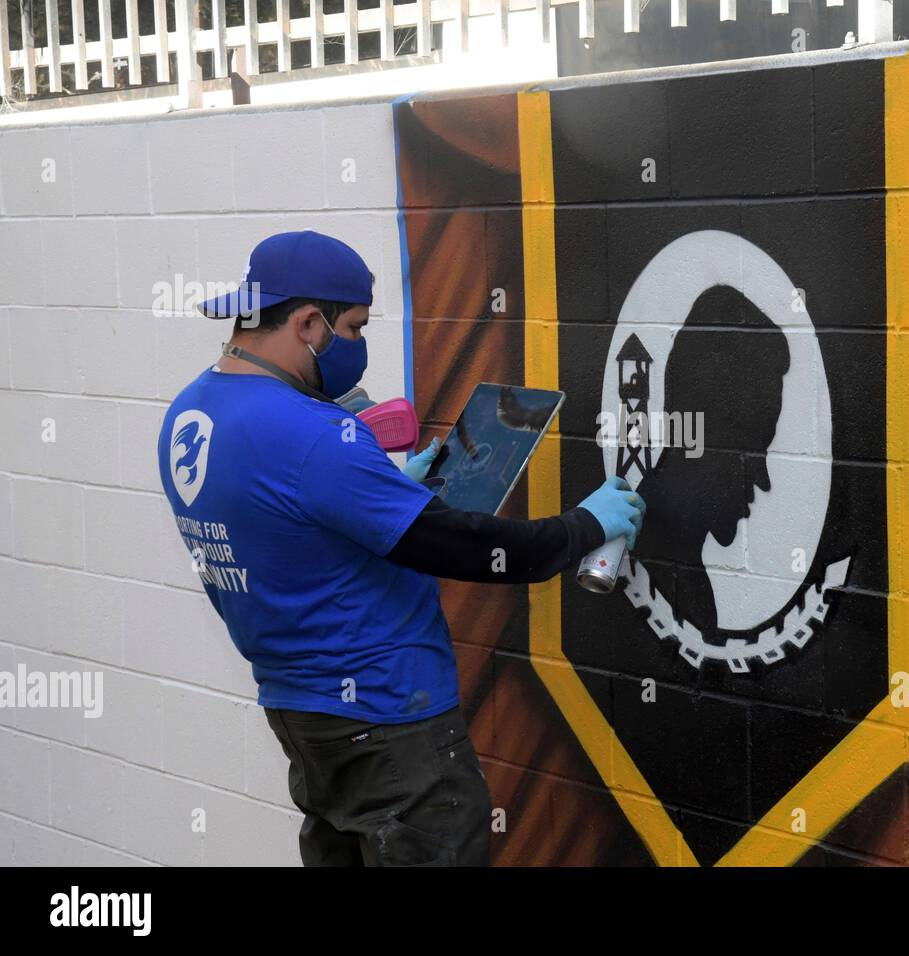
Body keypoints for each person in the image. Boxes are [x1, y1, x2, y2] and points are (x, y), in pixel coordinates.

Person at [156, 230, 645, 866]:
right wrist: (582, 525)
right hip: (389, 727)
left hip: (303, 720)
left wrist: (379, 495)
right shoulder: (313, 437)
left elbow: (281, 528)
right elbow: (461, 549)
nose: (359, 345)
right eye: (355, 328)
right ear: (308, 322)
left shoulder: (189, 413)